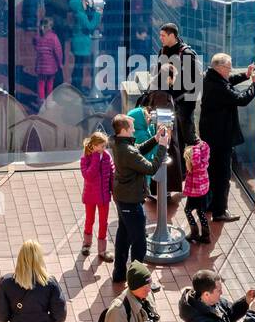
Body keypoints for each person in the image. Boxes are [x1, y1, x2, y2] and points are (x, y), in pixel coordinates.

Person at [198, 53, 255, 222]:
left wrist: (245, 76)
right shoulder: (218, 87)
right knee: (223, 174)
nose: (230, 70)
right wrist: (254, 84)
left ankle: (210, 203)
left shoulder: (210, 77)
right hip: (220, 138)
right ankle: (220, 211)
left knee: (212, 172)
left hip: (211, 134)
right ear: (220, 68)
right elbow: (241, 99)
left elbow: (228, 81)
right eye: (228, 67)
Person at [110, 112, 171, 284]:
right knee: (139, 242)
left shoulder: (118, 142)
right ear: (123, 130)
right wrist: (163, 146)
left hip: (122, 197)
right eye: (131, 128)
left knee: (123, 236)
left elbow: (137, 150)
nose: (134, 130)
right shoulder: (126, 150)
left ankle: (119, 273)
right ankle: (138, 280)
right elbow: (151, 168)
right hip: (130, 201)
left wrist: (155, 139)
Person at [138, 63, 183, 193]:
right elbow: (163, 119)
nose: (175, 79)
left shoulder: (156, 88)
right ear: (168, 78)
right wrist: (166, 140)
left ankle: (161, 191)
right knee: (164, 163)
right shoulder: (162, 94)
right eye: (174, 76)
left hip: (158, 135)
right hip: (163, 136)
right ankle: (162, 191)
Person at [158, 22, 201, 150]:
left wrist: (173, 81)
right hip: (166, 102)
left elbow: (194, 81)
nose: (161, 38)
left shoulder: (186, 53)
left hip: (183, 104)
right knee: (168, 138)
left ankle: (193, 167)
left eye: (163, 35)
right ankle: (176, 168)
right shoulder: (163, 51)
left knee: (187, 137)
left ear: (172, 36)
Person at [79, 131, 115, 261]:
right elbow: (88, 175)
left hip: (104, 196)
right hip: (90, 196)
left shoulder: (106, 156)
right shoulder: (85, 158)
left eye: (104, 146)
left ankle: (102, 250)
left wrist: (114, 191)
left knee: (103, 222)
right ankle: (86, 244)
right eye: (101, 146)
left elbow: (112, 174)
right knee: (90, 220)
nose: (103, 149)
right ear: (93, 145)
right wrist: (95, 158)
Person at [67, 0, 101, 93]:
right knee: (79, 67)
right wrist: (97, 14)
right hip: (81, 45)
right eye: (83, 2)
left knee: (78, 66)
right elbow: (90, 26)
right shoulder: (81, 15)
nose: (85, 2)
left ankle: (75, 86)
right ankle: (77, 87)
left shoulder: (79, 13)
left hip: (78, 44)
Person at [182, 138, 211, 244]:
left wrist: (194, 149)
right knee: (200, 212)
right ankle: (205, 235)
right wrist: (198, 146)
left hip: (196, 192)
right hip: (199, 191)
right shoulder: (203, 158)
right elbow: (205, 146)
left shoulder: (198, 167)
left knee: (188, 210)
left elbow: (195, 161)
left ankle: (196, 233)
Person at [43, 0, 69, 88]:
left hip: (57, 27)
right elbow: (65, 7)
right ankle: (57, 82)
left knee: (56, 55)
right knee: (57, 54)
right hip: (57, 29)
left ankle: (56, 81)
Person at [32, 18, 63, 102]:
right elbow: (58, 51)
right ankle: (49, 101)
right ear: (51, 26)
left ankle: (41, 100)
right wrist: (60, 63)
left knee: (41, 83)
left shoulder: (37, 37)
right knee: (50, 83)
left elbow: (36, 47)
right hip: (51, 66)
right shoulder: (54, 37)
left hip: (40, 65)